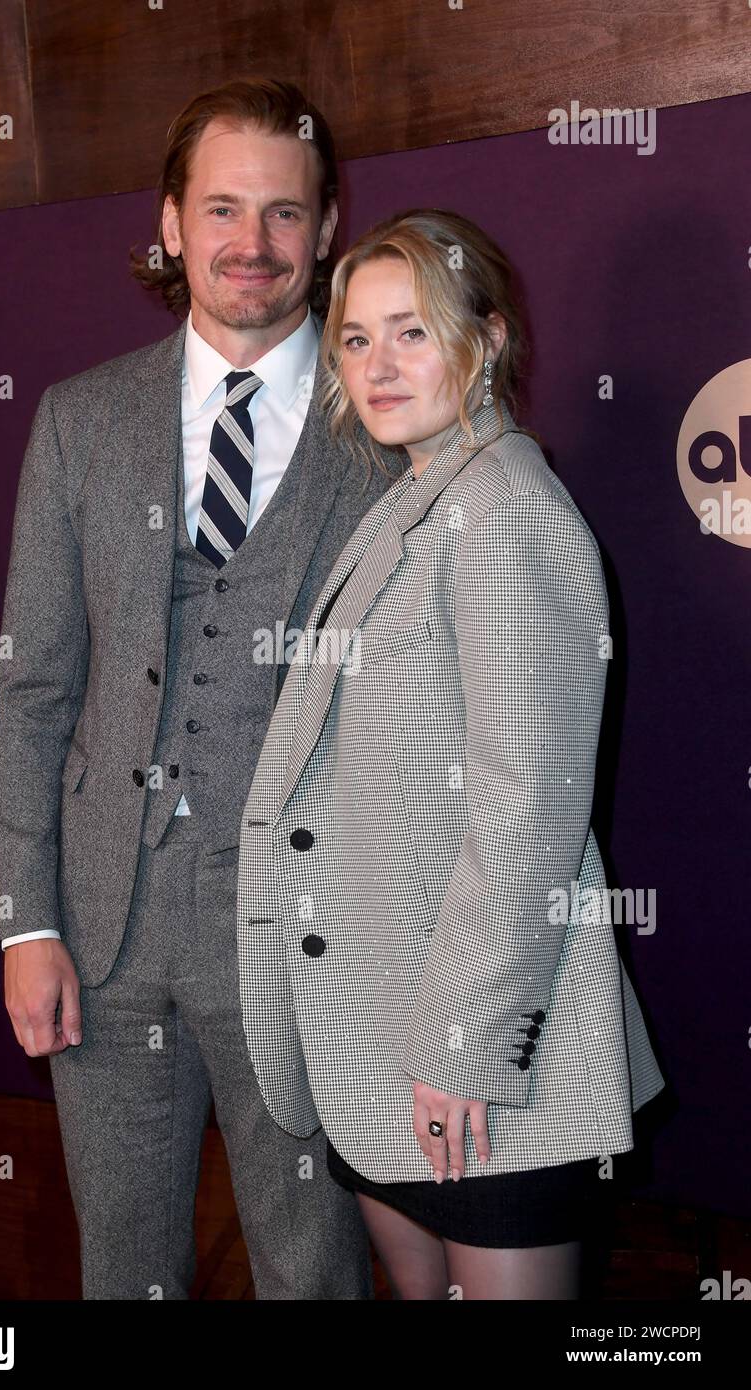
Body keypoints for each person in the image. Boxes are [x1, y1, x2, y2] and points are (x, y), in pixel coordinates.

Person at [0, 78, 407, 1300]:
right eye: (221, 208)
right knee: (123, 1271)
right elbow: (34, 686)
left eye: (285, 213)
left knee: (313, 1267)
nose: (252, 245)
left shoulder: (383, 428)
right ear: (171, 223)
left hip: (304, 936)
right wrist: (27, 921)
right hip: (101, 935)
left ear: (327, 229)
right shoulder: (78, 422)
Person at [236, 208, 666, 1300]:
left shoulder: (510, 512)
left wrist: (462, 1041)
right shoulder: (414, 501)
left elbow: (529, 811)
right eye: (356, 337)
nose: (379, 366)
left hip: (479, 1057)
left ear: (490, 340)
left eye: (413, 332)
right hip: (389, 1040)